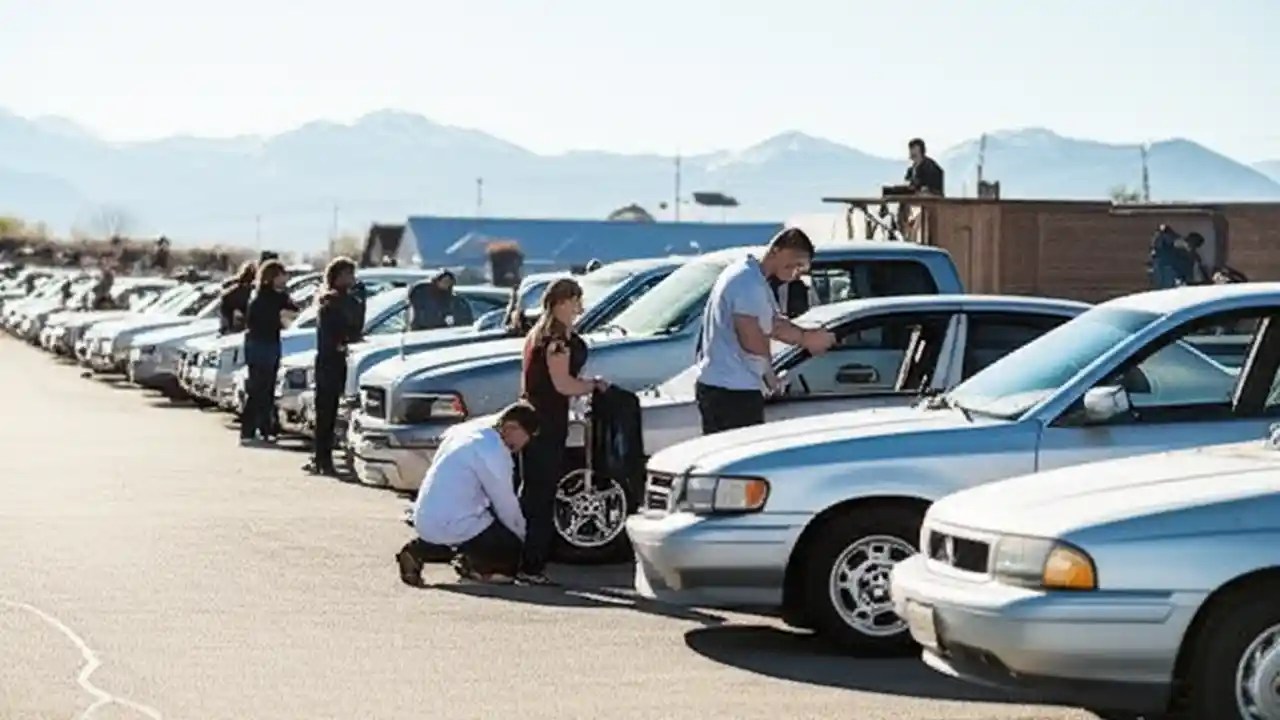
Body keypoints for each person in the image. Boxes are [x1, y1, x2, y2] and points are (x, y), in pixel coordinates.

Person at [694, 227, 836, 435]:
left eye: (801, 267)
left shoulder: (752, 277)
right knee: (737, 460)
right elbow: (750, 336)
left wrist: (807, 337)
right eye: (794, 262)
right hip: (732, 392)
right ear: (776, 250)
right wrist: (770, 376)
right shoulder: (747, 283)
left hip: (728, 386)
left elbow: (774, 324)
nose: (796, 271)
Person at [517, 278, 607, 585]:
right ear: (560, 303)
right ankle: (531, 564)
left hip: (538, 418)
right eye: (574, 300)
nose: (579, 306)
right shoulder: (556, 340)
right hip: (545, 421)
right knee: (539, 495)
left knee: (532, 490)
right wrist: (593, 385)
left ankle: (523, 557)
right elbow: (562, 383)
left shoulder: (537, 334)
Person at [395, 403, 541, 586]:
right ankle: (476, 567)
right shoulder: (493, 450)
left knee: (464, 530)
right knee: (507, 547)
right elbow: (505, 505)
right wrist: (522, 537)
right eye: (514, 446)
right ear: (511, 427)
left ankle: (419, 550)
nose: (516, 450)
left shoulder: (464, 432)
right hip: (454, 522)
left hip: (425, 518)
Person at [305, 257, 362, 476]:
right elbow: (330, 335)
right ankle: (322, 458)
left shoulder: (352, 301)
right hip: (330, 361)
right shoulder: (329, 302)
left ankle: (326, 456)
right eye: (347, 274)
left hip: (345, 361)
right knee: (325, 411)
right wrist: (341, 343)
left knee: (339, 411)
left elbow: (357, 327)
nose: (351, 278)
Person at [238, 259, 299, 446]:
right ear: (273, 277)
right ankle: (254, 429)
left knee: (264, 388)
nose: (285, 278)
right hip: (263, 344)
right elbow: (292, 312)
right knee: (260, 388)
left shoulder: (263, 296)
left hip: (262, 343)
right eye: (282, 275)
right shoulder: (270, 297)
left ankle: (261, 428)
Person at [407, 270, 475, 330]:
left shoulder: (454, 301)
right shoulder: (422, 294)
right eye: (444, 281)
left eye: (449, 282)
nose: (446, 284)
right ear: (437, 281)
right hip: (420, 331)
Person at [218, 261, 256, 335]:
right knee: (229, 324)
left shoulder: (247, 283)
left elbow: (224, 286)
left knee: (232, 325)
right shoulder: (239, 282)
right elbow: (224, 286)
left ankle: (226, 330)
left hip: (237, 304)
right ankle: (226, 330)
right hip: (230, 304)